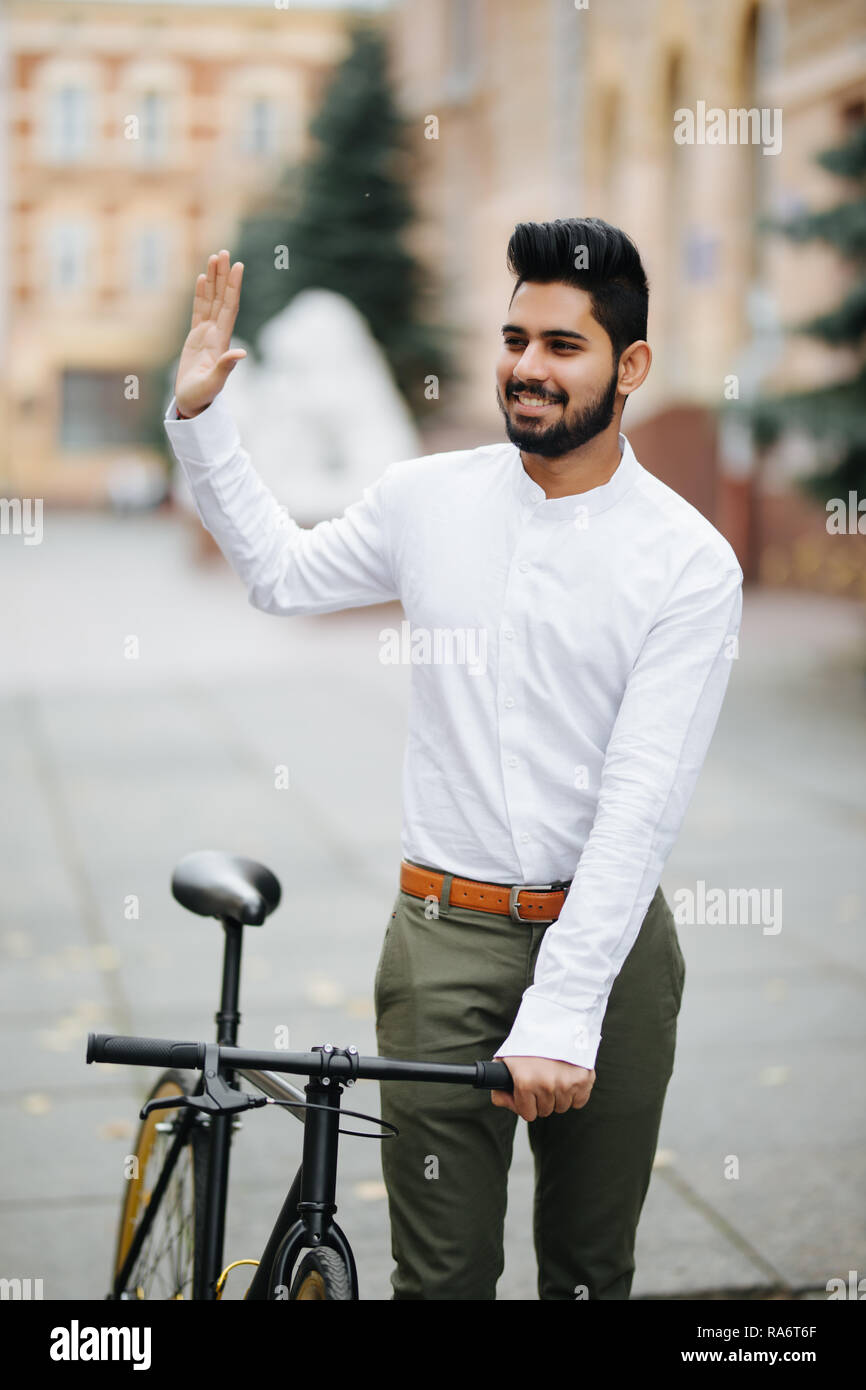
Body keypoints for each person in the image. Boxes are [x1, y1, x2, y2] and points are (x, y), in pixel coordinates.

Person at [164, 219, 743, 1300]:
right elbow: (283, 575)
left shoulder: (687, 565)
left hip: (610, 956)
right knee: (438, 1279)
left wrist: (566, 1012)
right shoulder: (425, 499)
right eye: (514, 337)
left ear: (631, 367)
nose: (525, 365)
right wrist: (201, 417)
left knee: (584, 1273)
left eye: (561, 346)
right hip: (442, 944)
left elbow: (638, 806)